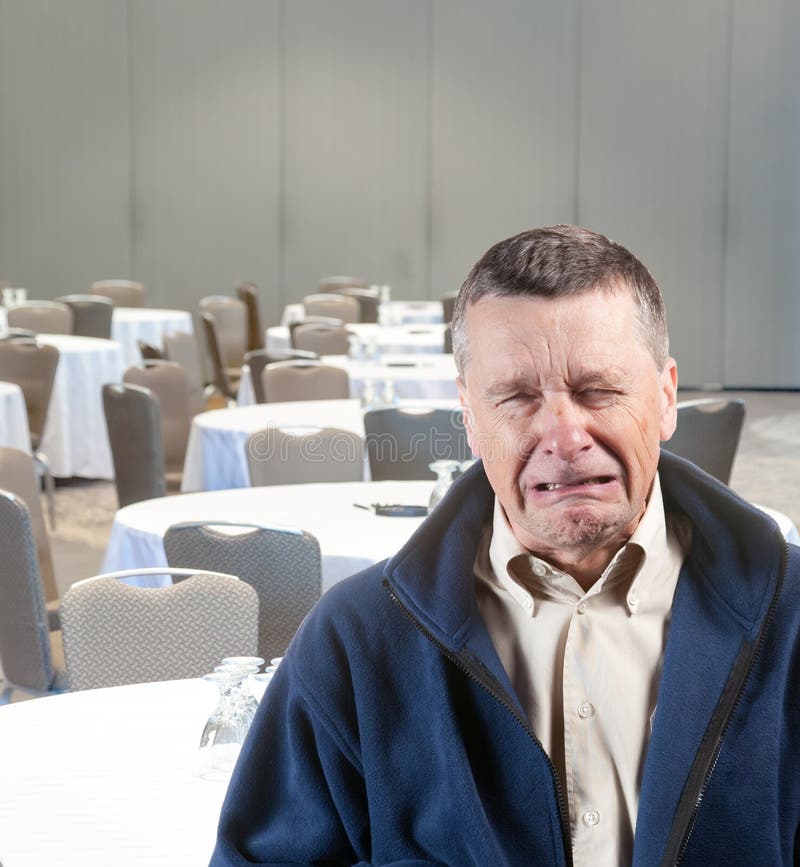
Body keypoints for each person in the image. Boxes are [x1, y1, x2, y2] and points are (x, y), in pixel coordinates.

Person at [210, 226, 800, 866]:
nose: (563, 434)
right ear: (469, 417)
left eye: (597, 389)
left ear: (664, 397)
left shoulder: (790, 619)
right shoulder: (355, 643)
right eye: (517, 397)